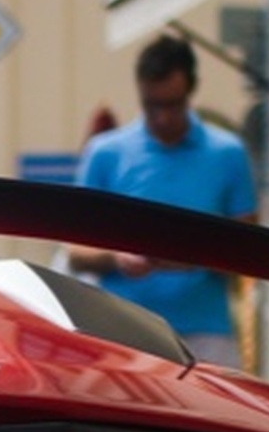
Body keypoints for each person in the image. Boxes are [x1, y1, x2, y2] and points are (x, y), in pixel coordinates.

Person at [72, 33, 258, 368]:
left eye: (172, 105)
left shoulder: (227, 153)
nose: (162, 118)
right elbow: (75, 251)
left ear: (191, 92)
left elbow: (251, 251)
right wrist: (117, 258)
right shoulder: (105, 153)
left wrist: (193, 256)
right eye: (151, 105)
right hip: (122, 330)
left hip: (205, 334)